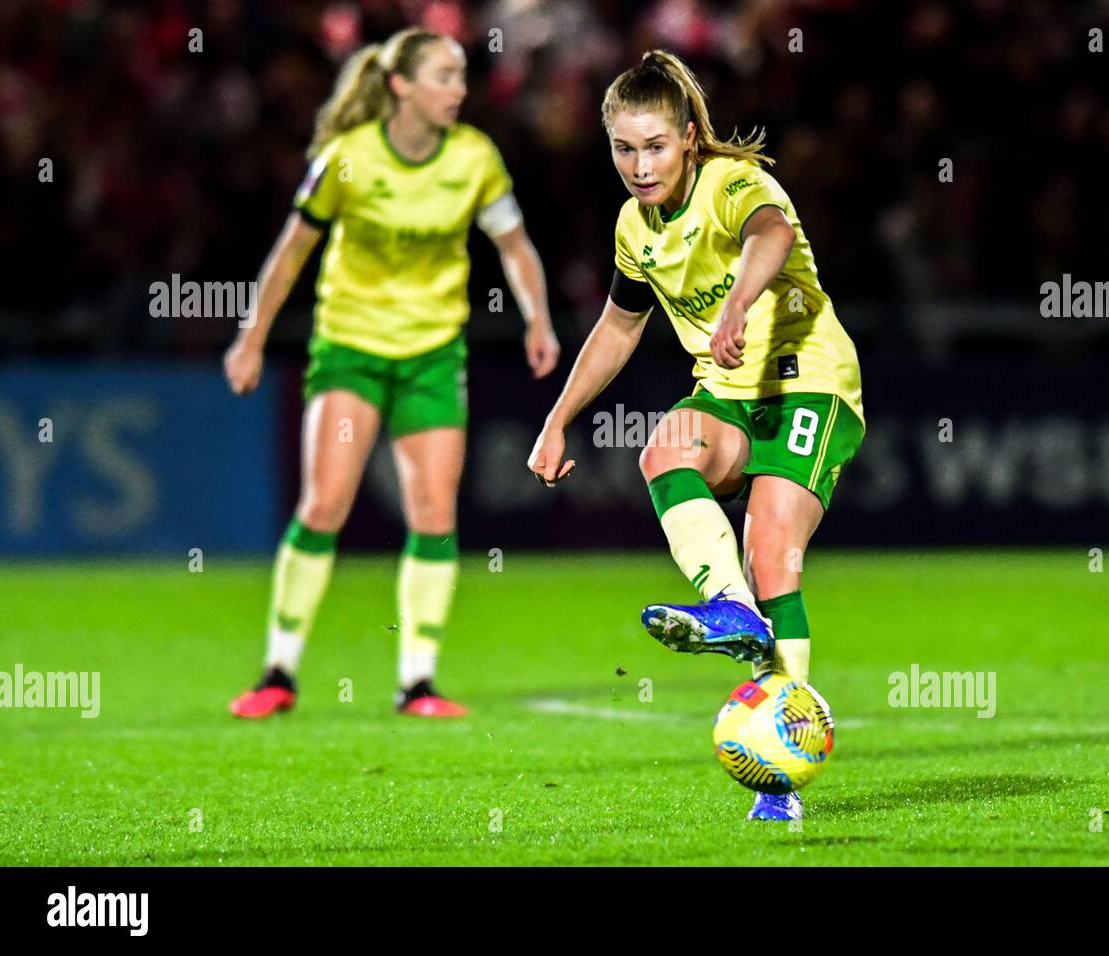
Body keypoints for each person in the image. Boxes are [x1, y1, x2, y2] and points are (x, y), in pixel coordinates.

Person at [527, 50, 863, 821]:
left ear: (686, 138)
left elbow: (771, 234)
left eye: (654, 146)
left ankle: (781, 781)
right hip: (729, 389)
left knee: (771, 549)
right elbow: (617, 327)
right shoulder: (633, 229)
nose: (639, 166)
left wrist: (740, 305)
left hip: (807, 376)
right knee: (663, 448)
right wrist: (558, 417)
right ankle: (728, 612)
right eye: (623, 148)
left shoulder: (731, 183)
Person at [225, 28, 559, 719]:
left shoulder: (475, 159)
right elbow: (291, 252)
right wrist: (251, 337)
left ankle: (418, 683)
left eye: (462, 76)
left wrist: (537, 318)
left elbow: (516, 245)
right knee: (324, 506)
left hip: (433, 355)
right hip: (351, 348)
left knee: (434, 515)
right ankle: (278, 672)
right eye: (442, 76)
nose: (458, 90)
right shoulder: (348, 159)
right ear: (401, 85)